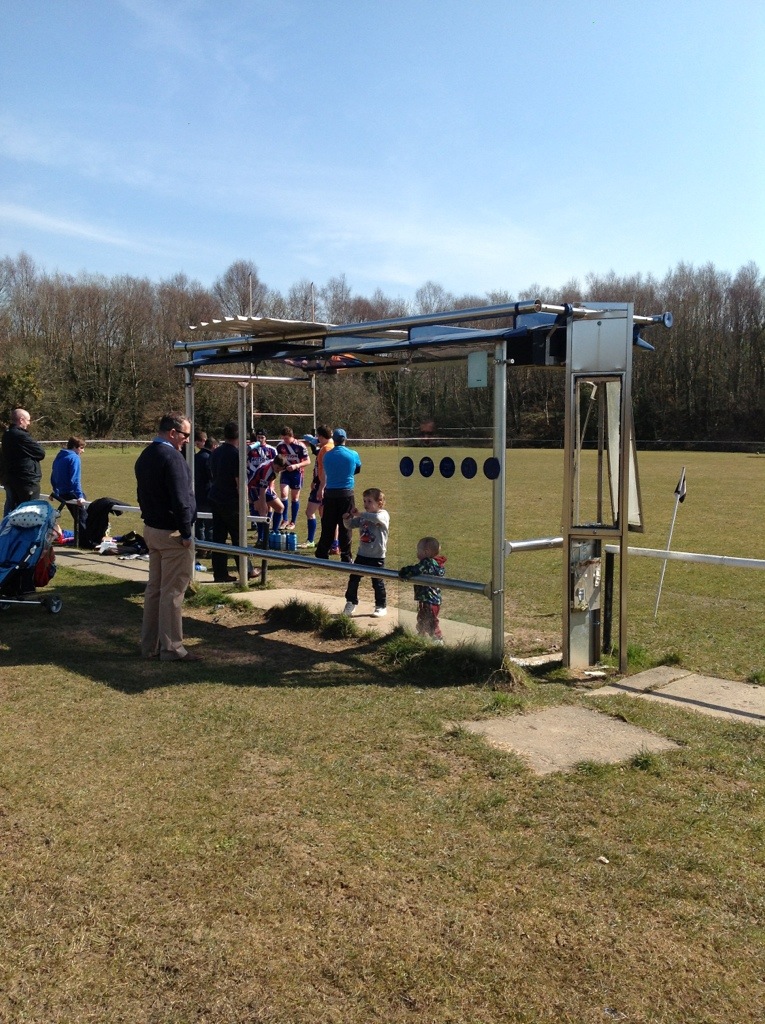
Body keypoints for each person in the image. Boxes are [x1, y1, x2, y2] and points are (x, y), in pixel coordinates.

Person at [134, 412, 199, 661]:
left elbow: (141, 493)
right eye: (185, 436)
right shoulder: (172, 457)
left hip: (152, 529)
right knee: (172, 593)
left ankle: (149, 645)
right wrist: (185, 533)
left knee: (154, 591)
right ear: (172, 433)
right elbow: (182, 499)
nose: (186, 441)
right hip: (171, 534)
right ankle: (172, 648)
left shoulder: (146, 455)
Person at [208, 420, 258, 583]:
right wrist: (244, 502)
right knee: (239, 536)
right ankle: (247, 571)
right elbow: (239, 481)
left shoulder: (216, 452)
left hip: (215, 497)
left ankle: (220, 573)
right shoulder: (236, 454)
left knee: (218, 538)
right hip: (230, 500)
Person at [314, 428, 361, 564]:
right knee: (346, 525)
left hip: (330, 493)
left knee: (328, 524)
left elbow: (325, 472)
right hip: (346, 493)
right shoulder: (353, 454)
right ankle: (346, 556)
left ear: (333, 440)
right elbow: (357, 469)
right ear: (345, 439)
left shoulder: (327, 455)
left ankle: (322, 553)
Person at [341, 487, 390, 617]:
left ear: (379, 503)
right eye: (364, 501)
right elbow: (350, 525)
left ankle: (381, 606)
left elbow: (377, 518)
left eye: (369, 501)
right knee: (354, 579)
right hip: (362, 555)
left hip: (377, 557)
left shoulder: (383, 515)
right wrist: (346, 519)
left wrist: (360, 514)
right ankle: (351, 602)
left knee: (377, 582)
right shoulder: (363, 518)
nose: (365, 504)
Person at [398, 536, 447, 642]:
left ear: (426, 552)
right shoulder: (437, 565)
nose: (417, 553)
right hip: (430, 599)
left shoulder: (427, 563)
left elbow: (415, 570)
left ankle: (438, 640)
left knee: (431, 621)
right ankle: (421, 637)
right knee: (422, 619)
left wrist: (404, 572)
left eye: (418, 550)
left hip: (429, 599)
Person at [1, 408, 46, 514]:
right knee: (28, 512)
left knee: (13, 510)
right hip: (26, 480)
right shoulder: (20, 435)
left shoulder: (6, 435)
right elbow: (40, 452)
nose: (29, 423)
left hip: (12, 479)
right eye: (28, 420)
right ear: (21, 420)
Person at [299, 425, 333, 549]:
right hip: (323, 483)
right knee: (323, 514)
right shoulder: (328, 446)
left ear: (322, 436)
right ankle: (328, 542)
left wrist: (321, 486)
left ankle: (311, 540)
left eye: (318, 436)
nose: (316, 438)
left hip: (322, 484)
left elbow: (325, 469)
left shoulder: (326, 449)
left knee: (310, 512)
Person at [50, 436, 88, 542]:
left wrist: (56, 491)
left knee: (78, 517)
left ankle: (79, 538)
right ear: (75, 447)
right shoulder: (74, 458)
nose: (83, 451)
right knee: (83, 517)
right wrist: (80, 496)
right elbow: (75, 479)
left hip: (62, 493)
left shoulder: (59, 456)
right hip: (71, 493)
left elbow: (54, 475)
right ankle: (85, 541)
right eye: (82, 448)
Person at [275, 425, 311, 533]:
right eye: (283, 438)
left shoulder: (300, 446)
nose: (285, 440)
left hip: (297, 473)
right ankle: (284, 519)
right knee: (283, 494)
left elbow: (307, 461)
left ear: (292, 436)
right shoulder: (280, 446)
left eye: (287, 438)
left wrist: (296, 466)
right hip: (285, 473)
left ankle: (293, 522)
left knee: (295, 498)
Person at [249, 454, 289, 543]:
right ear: (274, 464)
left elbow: (272, 476)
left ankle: (273, 533)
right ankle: (261, 539)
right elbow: (262, 491)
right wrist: (263, 504)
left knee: (280, 508)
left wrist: (271, 485)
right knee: (263, 513)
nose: (278, 470)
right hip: (255, 488)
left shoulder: (277, 465)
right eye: (277, 468)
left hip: (264, 487)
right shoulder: (267, 470)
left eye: (280, 468)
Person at [193, 430, 213, 543]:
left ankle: (201, 546)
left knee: (199, 523)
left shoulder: (195, 457)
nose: (196, 445)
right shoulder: (209, 458)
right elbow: (211, 476)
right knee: (209, 523)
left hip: (197, 493)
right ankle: (209, 546)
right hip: (207, 493)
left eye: (197, 443)